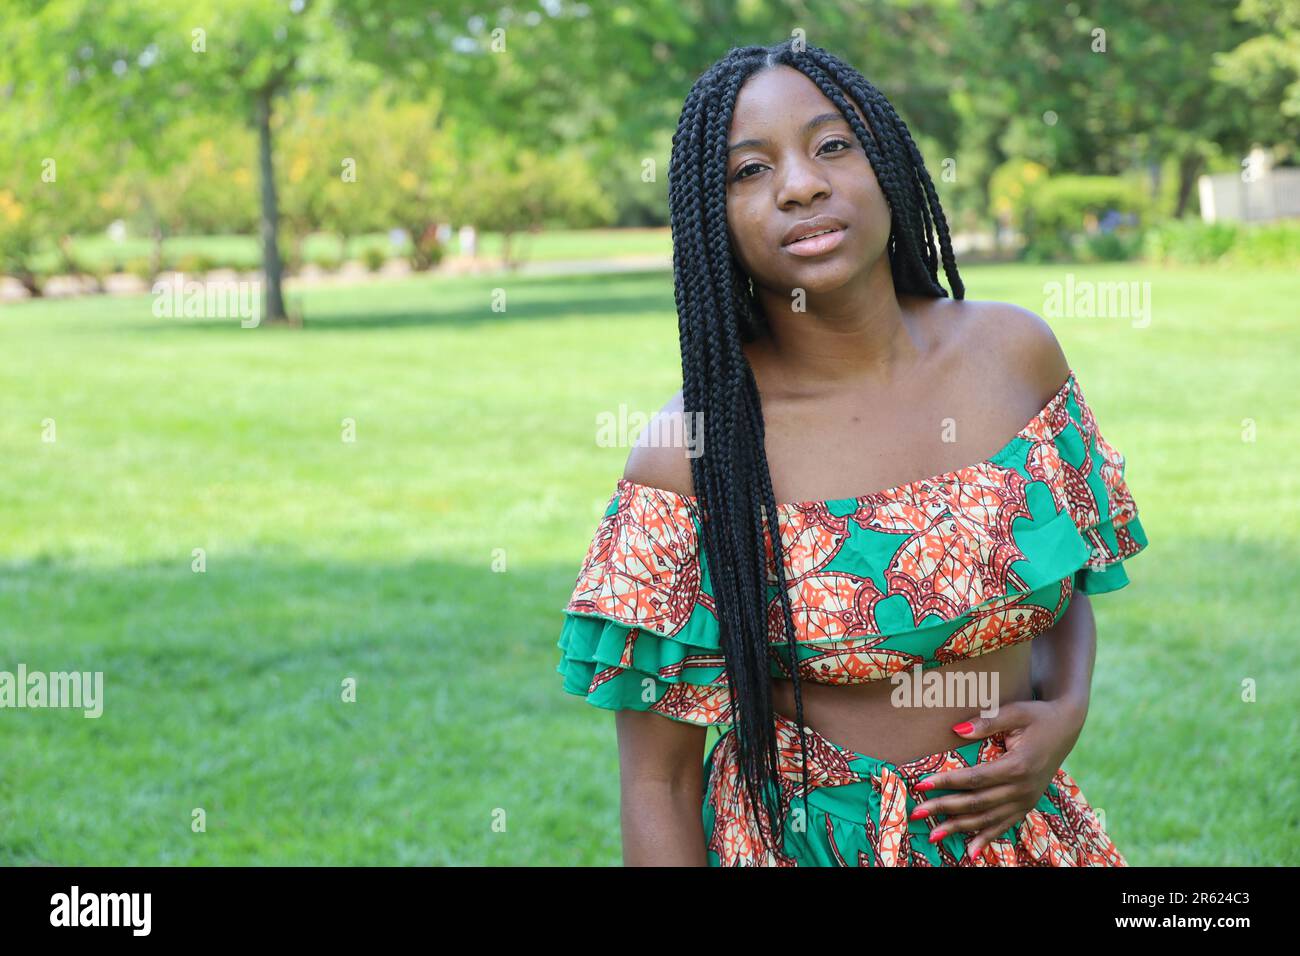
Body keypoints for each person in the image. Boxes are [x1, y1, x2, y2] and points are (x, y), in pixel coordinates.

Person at [555, 39, 1148, 867]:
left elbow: (1065, 572)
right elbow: (657, 785)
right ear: (710, 217)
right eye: (748, 171)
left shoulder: (1014, 357)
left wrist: (1067, 710)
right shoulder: (692, 454)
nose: (801, 184)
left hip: (1021, 840)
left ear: (890, 167)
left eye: (833, 145)